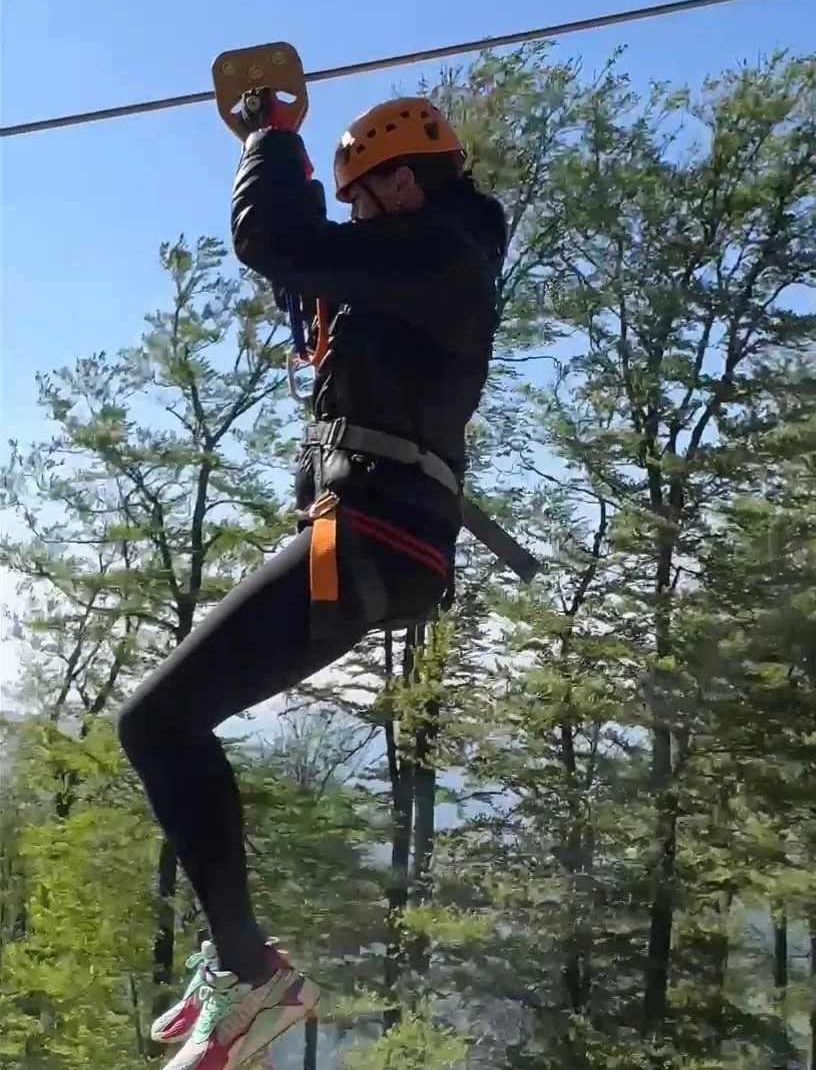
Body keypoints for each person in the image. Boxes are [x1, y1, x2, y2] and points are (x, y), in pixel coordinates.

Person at [117, 95, 507, 1070]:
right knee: (165, 719)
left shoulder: (440, 256)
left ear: (406, 182)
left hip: (375, 537)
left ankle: (252, 977)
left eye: (363, 200)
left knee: (156, 721)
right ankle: (239, 965)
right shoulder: (422, 266)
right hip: (378, 541)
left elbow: (275, 241)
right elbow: (307, 268)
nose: (359, 220)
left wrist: (270, 135)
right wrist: (282, 164)